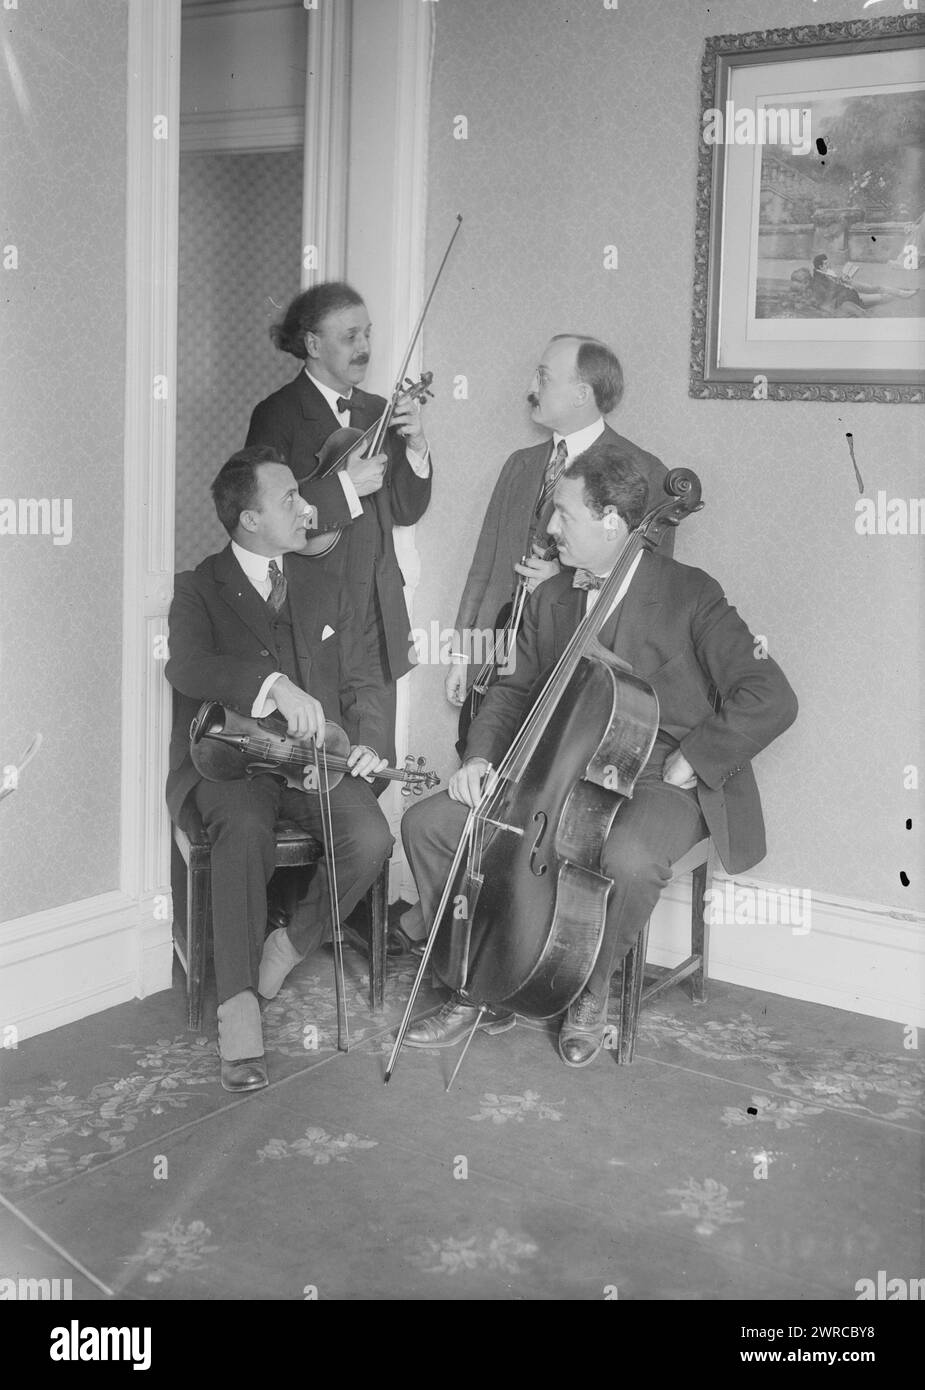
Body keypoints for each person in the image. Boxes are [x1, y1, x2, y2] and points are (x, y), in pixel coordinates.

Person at [400, 441, 798, 1068]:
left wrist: (696, 757)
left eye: (563, 512)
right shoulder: (552, 596)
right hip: (563, 771)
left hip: (660, 776)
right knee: (430, 825)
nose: (550, 527)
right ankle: (482, 982)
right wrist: (478, 759)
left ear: (612, 520)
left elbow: (771, 695)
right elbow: (510, 692)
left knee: (627, 857)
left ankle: (590, 990)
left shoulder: (691, 593)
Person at [166, 446, 393, 1093]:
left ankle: (290, 944)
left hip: (310, 764)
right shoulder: (198, 588)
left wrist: (367, 744)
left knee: (371, 838)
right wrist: (271, 685)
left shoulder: (320, 582)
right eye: (289, 497)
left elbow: (360, 678)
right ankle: (238, 1013)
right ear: (248, 519)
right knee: (242, 832)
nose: (306, 507)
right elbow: (187, 666)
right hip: (230, 765)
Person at [245, 282, 433, 771]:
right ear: (313, 343)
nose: (364, 347)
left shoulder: (377, 411)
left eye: (367, 334)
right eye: (350, 336)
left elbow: (406, 509)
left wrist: (415, 447)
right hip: (312, 614)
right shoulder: (276, 414)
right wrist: (347, 487)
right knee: (321, 760)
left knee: (375, 760)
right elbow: (263, 520)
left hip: (376, 611)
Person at [444, 335, 672, 718]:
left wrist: (564, 582)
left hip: (575, 672)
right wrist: (462, 655)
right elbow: (483, 567)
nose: (530, 388)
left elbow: (647, 589)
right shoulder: (519, 464)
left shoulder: (645, 472)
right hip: (497, 665)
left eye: (543, 378)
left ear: (582, 393)